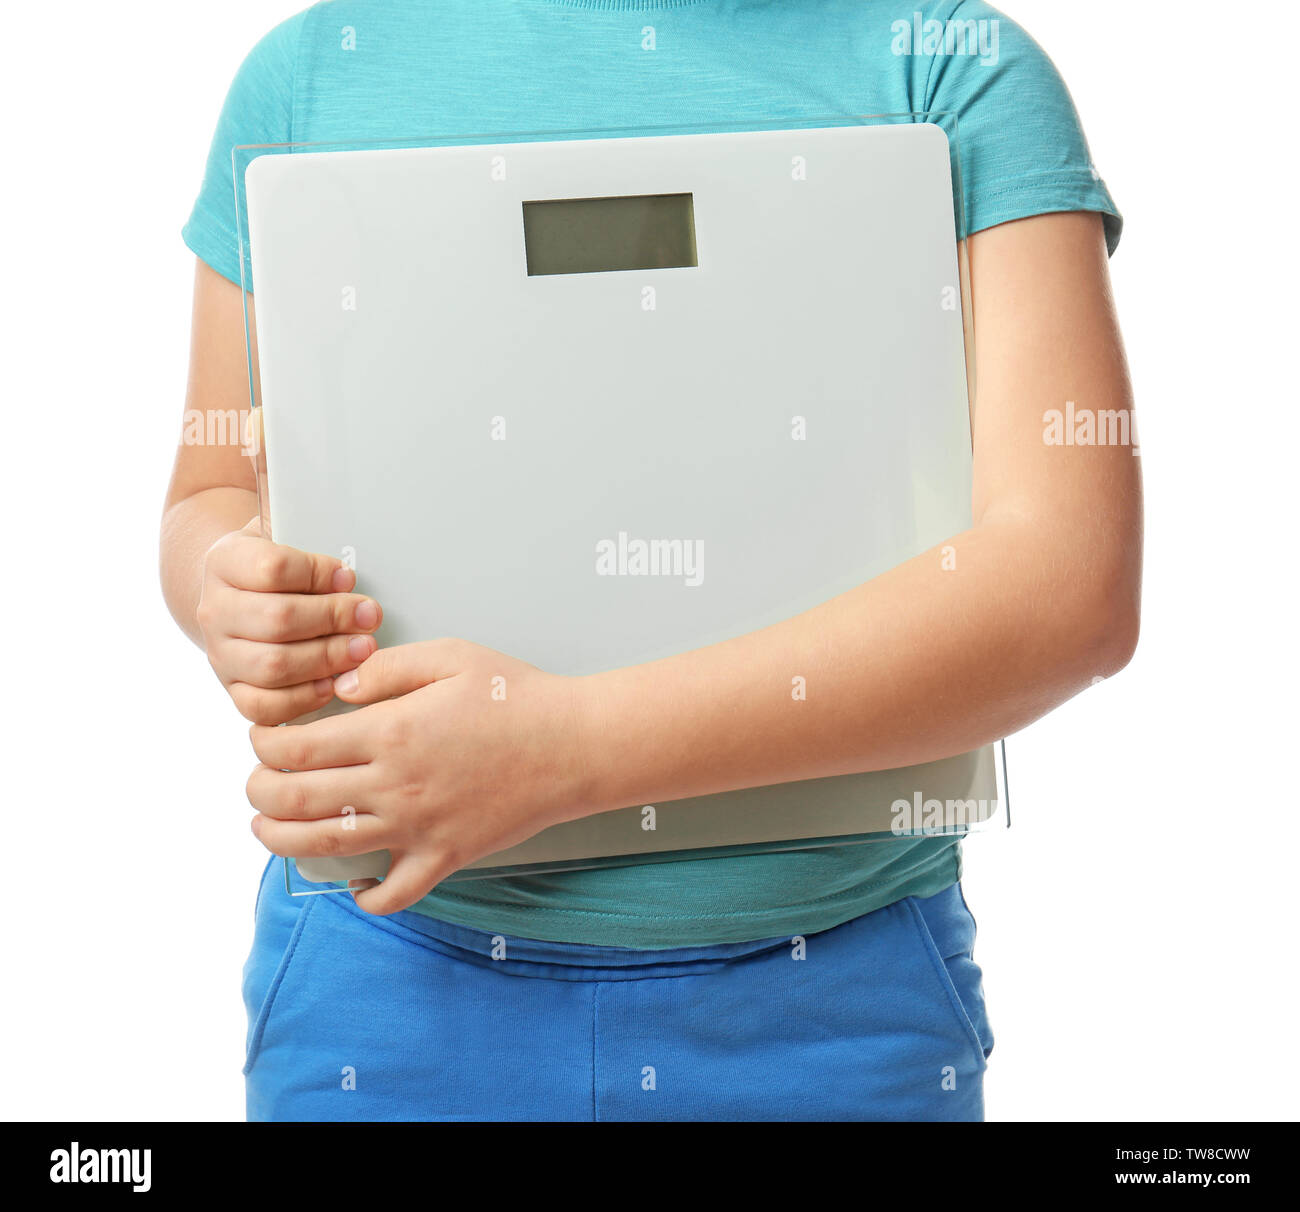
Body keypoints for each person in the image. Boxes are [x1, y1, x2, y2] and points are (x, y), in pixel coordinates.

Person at [161, 0, 1141, 1122]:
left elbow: (1068, 586)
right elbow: (212, 491)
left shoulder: (951, 69)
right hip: (385, 992)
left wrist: (566, 753)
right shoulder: (304, 79)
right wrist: (223, 585)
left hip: (830, 1005)